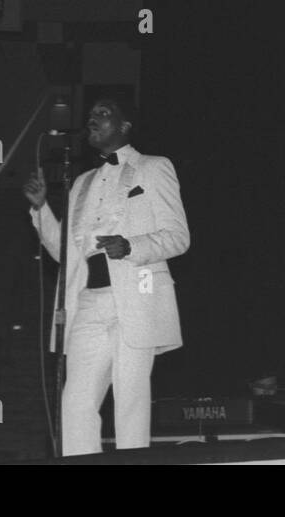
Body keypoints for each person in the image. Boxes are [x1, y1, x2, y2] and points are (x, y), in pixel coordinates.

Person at [22, 96, 190, 455]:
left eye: (103, 113)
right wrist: (41, 210)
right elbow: (64, 252)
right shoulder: (81, 182)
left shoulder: (154, 167)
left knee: (130, 399)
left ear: (125, 125)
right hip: (87, 302)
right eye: (91, 114)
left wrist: (130, 245)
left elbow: (178, 237)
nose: (92, 119)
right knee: (76, 402)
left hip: (135, 297)